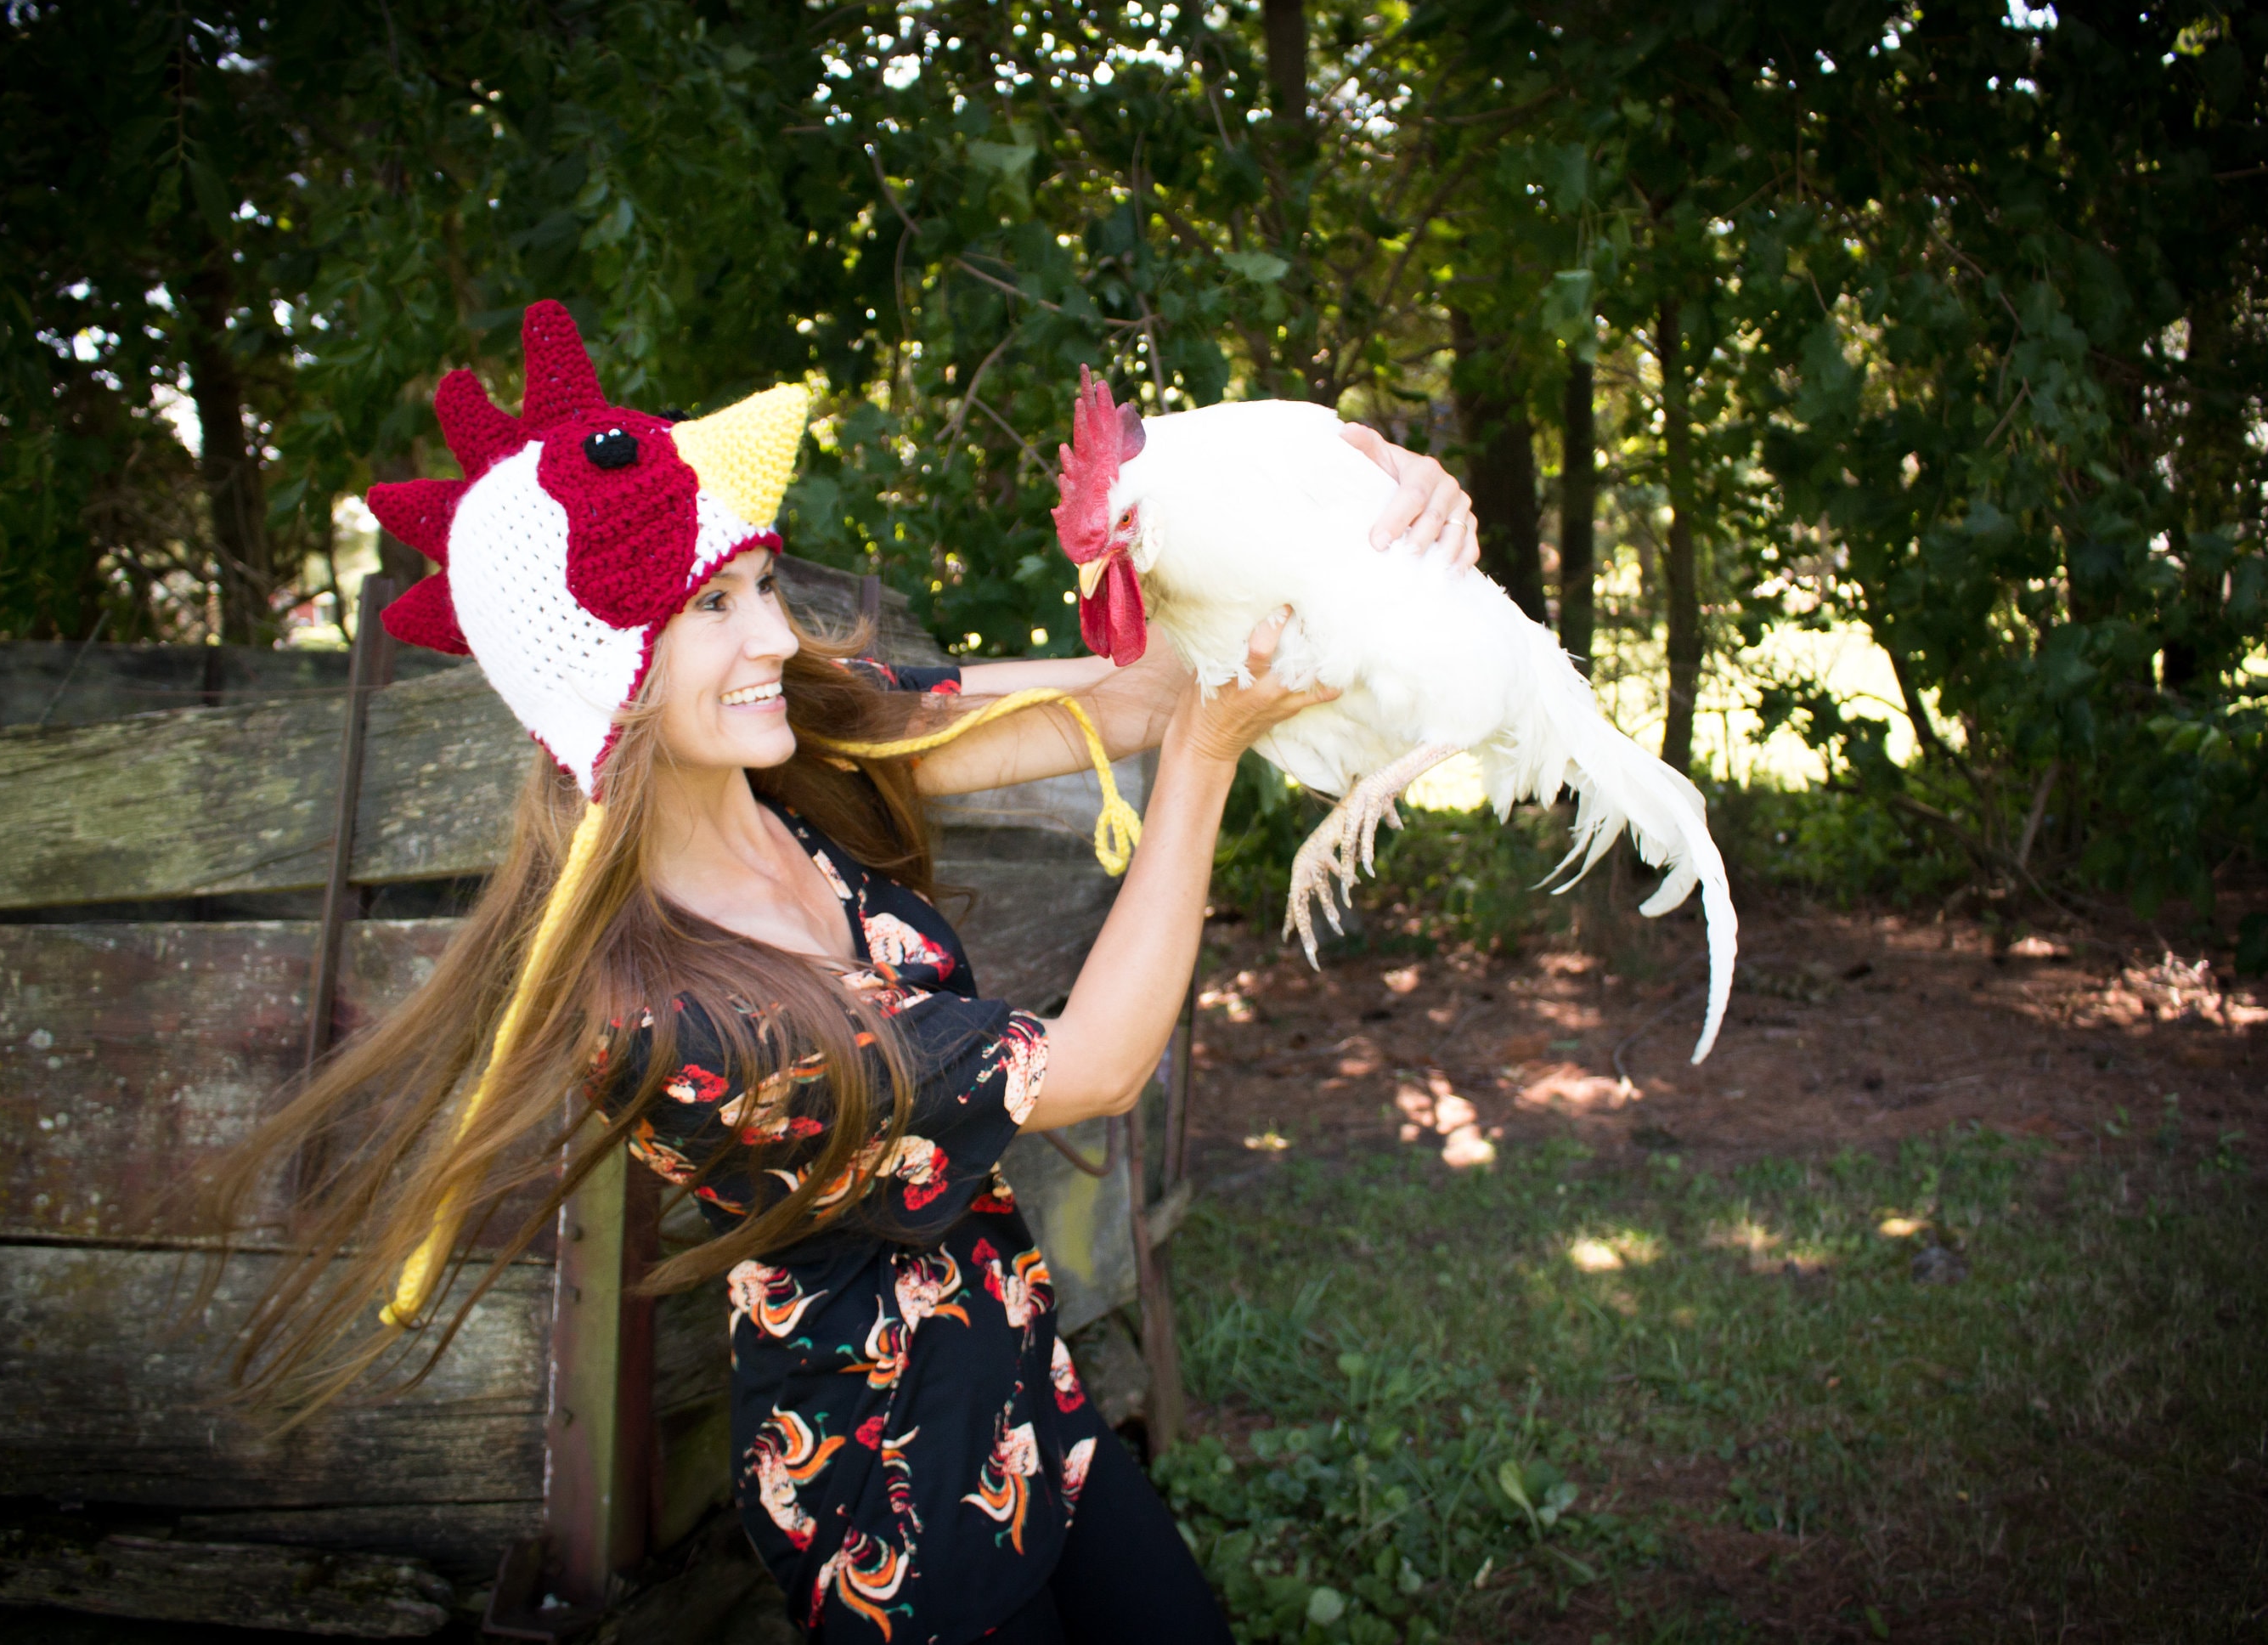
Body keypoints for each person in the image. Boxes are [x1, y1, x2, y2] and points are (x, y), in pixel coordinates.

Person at [210, 302, 1475, 1645]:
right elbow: (1096, 1063)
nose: (770, 633)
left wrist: (1351, 506)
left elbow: (1132, 694)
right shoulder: (675, 1023)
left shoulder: (792, 742)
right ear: (604, 683)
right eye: (713, 607)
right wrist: (1211, 760)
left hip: (1021, 1376)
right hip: (892, 1489)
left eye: (756, 582)